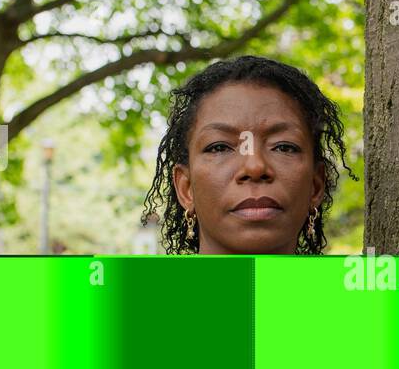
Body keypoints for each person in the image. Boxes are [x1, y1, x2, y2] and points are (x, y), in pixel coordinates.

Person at [144, 55, 354, 254]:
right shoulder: (124, 291)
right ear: (186, 188)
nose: (254, 167)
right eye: (220, 147)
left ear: (316, 186)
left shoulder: (370, 289)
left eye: (283, 147)